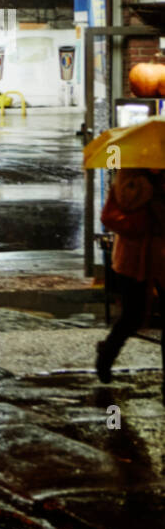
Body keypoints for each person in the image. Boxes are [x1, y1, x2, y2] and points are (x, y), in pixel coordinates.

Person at [97, 168, 165, 402]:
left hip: (161, 254)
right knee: (133, 315)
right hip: (133, 256)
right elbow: (125, 200)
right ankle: (107, 354)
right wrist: (150, 183)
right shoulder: (130, 169)